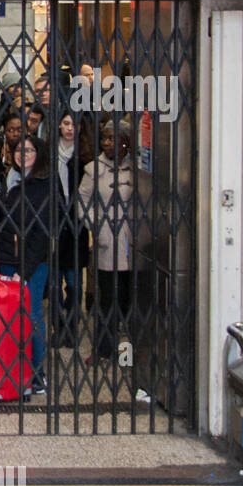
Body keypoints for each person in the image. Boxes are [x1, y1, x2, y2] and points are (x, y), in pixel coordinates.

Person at [0, 134, 56, 395]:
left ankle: (37, 373)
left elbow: (42, 233)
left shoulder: (43, 184)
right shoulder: (10, 179)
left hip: (31, 263)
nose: (21, 154)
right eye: (17, 149)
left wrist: (23, 272)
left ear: (39, 154)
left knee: (30, 314)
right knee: (8, 317)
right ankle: (13, 369)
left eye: (28, 150)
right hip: (6, 257)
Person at [78, 120, 153, 364]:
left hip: (136, 242)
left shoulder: (139, 168)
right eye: (105, 138)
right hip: (108, 242)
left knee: (133, 299)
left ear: (127, 142)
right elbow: (82, 201)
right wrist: (95, 226)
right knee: (108, 299)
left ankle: (133, 353)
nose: (107, 143)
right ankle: (104, 350)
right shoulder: (93, 169)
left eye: (113, 139)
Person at [52, 110, 96, 347]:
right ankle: (58, 326)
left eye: (75, 124)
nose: (70, 128)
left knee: (74, 278)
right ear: (59, 125)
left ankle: (71, 324)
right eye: (66, 123)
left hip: (77, 220)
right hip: (53, 219)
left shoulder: (86, 156)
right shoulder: (48, 153)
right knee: (54, 278)